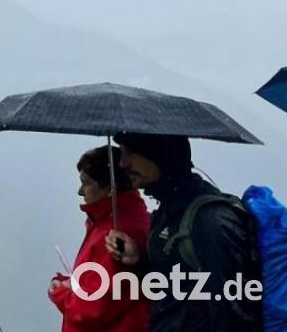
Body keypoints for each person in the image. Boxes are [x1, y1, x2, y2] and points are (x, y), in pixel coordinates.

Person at [105, 133, 262, 331]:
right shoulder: (168, 211)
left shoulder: (210, 221)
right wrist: (138, 261)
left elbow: (234, 316)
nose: (122, 163)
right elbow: (176, 288)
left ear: (160, 153)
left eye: (132, 152)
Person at [48, 145, 150, 332]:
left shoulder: (116, 233)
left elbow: (92, 309)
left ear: (111, 188)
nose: (80, 191)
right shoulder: (125, 219)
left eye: (86, 183)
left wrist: (60, 291)